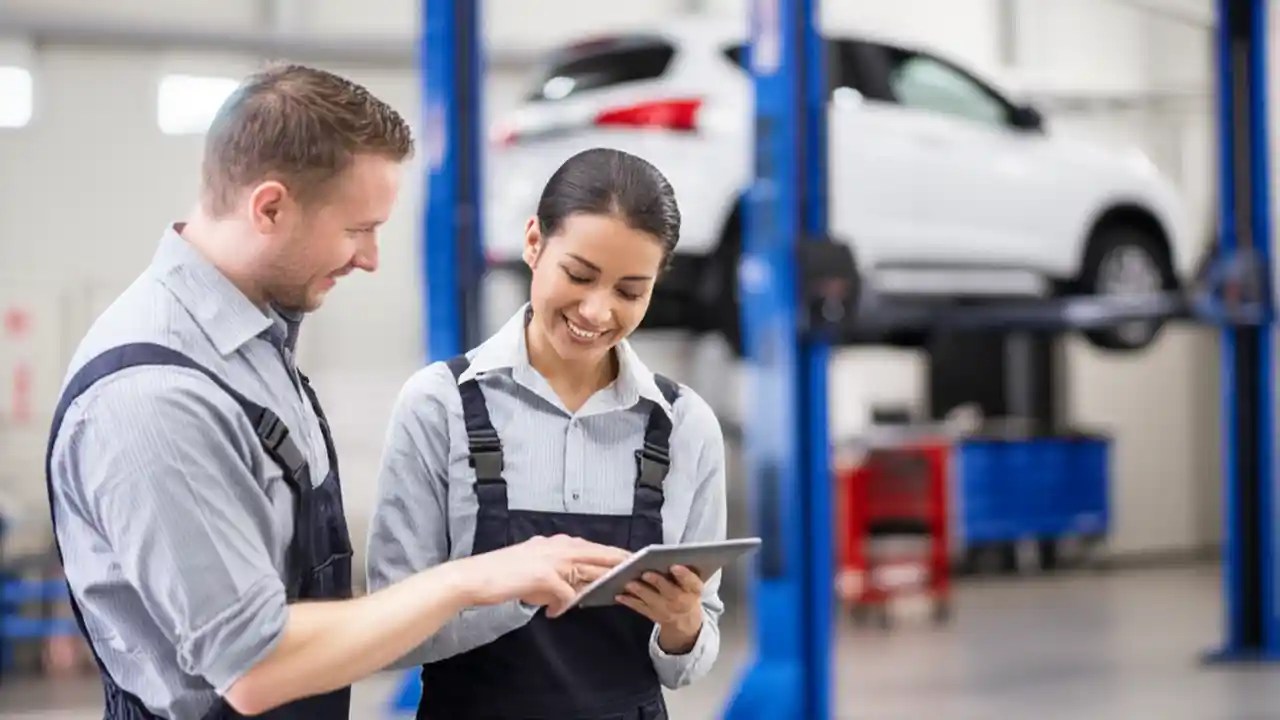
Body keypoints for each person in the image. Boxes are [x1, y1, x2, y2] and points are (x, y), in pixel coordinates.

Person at [43, 65, 629, 720]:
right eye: (358, 229)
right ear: (269, 207)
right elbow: (256, 664)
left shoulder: (254, 346)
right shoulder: (154, 399)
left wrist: (508, 586)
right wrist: (469, 578)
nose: (371, 257)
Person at [366, 147, 729, 720]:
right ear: (533, 242)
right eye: (579, 275)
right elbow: (390, 633)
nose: (597, 311)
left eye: (630, 291)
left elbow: (688, 659)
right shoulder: (441, 406)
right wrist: (515, 591)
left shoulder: (684, 426)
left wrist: (681, 623)